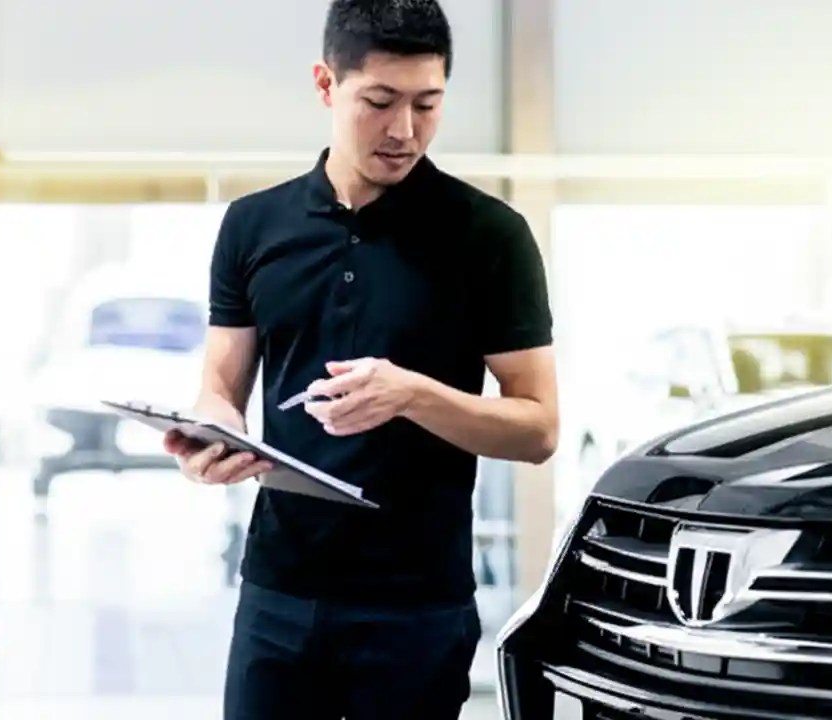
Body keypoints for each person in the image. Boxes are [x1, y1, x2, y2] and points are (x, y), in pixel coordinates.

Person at [163, 0, 559, 717]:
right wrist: (209, 433)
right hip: (277, 594)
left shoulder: (491, 237)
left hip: (416, 609)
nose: (404, 130)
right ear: (326, 85)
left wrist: (412, 394)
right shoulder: (253, 225)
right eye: (379, 102)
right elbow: (220, 383)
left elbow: (538, 429)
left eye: (427, 105)